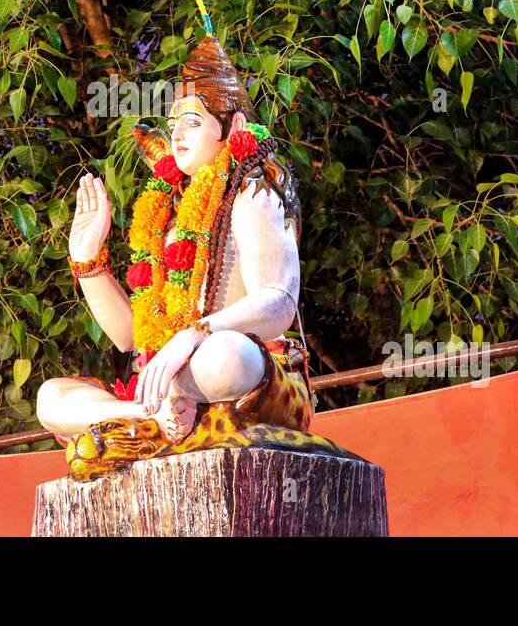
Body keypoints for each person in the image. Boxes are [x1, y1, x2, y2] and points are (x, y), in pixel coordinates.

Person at [35, 34, 328, 481]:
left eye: (192, 121)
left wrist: (194, 335)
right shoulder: (168, 213)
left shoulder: (253, 189)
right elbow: (131, 338)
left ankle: (146, 418)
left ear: (232, 130)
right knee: (51, 398)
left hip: (247, 379)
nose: (175, 133)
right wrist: (87, 259)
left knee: (221, 355)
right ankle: (153, 413)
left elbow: (279, 303)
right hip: (172, 380)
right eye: (173, 122)